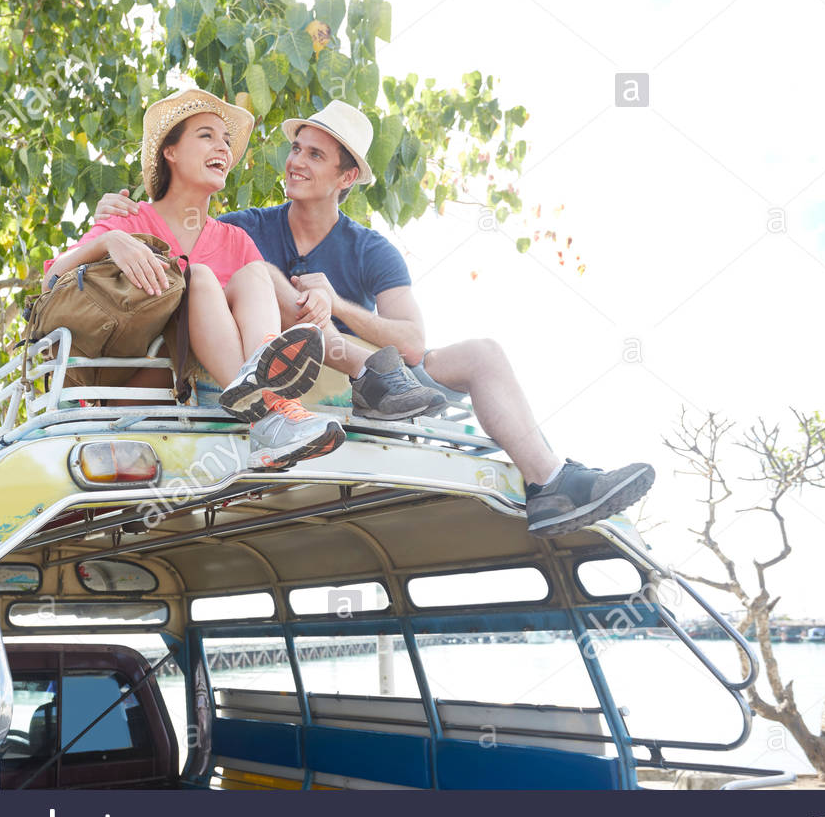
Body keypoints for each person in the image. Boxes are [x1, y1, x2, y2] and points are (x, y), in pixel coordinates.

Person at [94, 100, 654, 536]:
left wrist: (336, 303)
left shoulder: (371, 249)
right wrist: (112, 222)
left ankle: (550, 482)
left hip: (377, 377)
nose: (295, 162)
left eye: (315, 155)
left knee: (483, 352)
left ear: (345, 178)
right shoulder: (247, 229)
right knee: (261, 280)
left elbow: (413, 342)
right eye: (298, 149)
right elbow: (188, 243)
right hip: (296, 368)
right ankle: (355, 380)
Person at [42, 89, 344, 470]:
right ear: (170, 152)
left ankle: (273, 410)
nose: (223, 147)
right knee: (198, 276)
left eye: (227, 141)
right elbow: (50, 282)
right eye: (206, 135)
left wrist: (321, 301)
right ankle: (271, 413)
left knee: (254, 274)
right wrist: (107, 240)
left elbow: (276, 316)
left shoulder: (235, 239)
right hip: (146, 395)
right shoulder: (129, 220)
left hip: (212, 398)